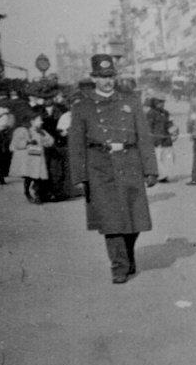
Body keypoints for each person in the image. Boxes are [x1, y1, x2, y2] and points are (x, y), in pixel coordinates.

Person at [66, 54, 159, 283]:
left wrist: (151, 169)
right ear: (93, 78)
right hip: (100, 166)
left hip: (129, 163)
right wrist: (79, 175)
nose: (108, 81)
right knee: (111, 220)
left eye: (110, 76)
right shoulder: (83, 106)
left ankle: (127, 255)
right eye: (102, 77)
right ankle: (118, 266)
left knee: (134, 218)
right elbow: (76, 143)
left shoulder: (131, 102)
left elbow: (144, 137)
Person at [8, 113, 54, 203]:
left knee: (38, 177)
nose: (41, 122)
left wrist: (45, 137)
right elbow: (16, 143)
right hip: (28, 158)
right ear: (32, 122)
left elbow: (50, 142)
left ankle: (37, 195)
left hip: (38, 157)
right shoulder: (23, 130)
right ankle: (27, 192)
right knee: (30, 176)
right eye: (39, 120)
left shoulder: (40, 131)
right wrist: (28, 142)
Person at [144, 96, 176, 182]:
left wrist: (174, 132)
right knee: (158, 159)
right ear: (154, 103)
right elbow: (149, 127)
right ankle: (161, 176)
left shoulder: (166, 113)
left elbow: (170, 124)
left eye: (163, 102)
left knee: (168, 158)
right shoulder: (150, 113)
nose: (162, 104)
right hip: (156, 140)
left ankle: (165, 175)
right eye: (159, 102)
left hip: (166, 139)